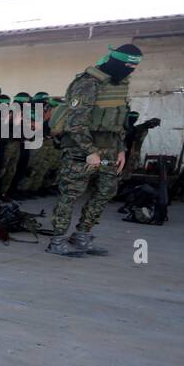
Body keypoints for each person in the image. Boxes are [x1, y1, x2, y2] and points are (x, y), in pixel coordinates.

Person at [46, 44, 142, 257]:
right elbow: (75, 123)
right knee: (70, 194)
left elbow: (119, 121)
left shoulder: (120, 84)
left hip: (109, 150)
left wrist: (121, 150)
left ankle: (82, 235)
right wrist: (90, 151)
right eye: (127, 65)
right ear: (116, 61)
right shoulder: (88, 83)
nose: (130, 70)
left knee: (105, 192)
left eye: (134, 67)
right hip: (80, 150)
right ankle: (57, 239)